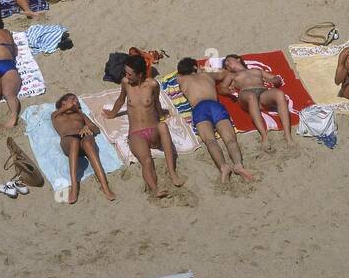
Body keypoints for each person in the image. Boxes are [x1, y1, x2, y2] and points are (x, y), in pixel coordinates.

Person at [105, 55, 182, 196]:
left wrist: (161, 113)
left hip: (154, 130)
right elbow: (121, 100)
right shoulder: (125, 84)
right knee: (146, 161)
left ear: (140, 74)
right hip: (136, 134)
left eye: (130, 74)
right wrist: (111, 114)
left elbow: (156, 102)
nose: (126, 76)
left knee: (163, 126)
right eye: (125, 73)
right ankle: (155, 188)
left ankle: (172, 172)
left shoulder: (152, 85)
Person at [175, 59, 255, 182]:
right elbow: (224, 73)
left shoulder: (182, 80)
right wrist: (203, 69)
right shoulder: (207, 75)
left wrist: (191, 69)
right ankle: (238, 165)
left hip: (199, 108)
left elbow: (176, 74)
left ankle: (223, 167)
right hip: (215, 106)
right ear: (195, 67)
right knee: (230, 140)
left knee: (210, 141)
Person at [51, 94, 116, 203]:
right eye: (73, 99)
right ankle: (74, 187)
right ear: (63, 103)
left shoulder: (80, 114)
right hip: (68, 140)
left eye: (77, 100)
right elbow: (64, 109)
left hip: (84, 138)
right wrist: (69, 107)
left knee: (88, 143)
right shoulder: (56, 115)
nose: (77, 102)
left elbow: (96, 129)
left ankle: (105, 186)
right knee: (74, 142)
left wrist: (87, 126)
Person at [219, 55, 293, 147]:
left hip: (263, 94)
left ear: (238, 59)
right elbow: (221, 88)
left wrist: (275, 81)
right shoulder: (231, 75)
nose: (228, 64)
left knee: (279, 94)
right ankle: (264, 136)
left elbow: (275, 77)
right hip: (245, 94)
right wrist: (228, 91)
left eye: (228, 61)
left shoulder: (256, 70)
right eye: (226, 66)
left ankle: (288, 135)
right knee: (251, 96)